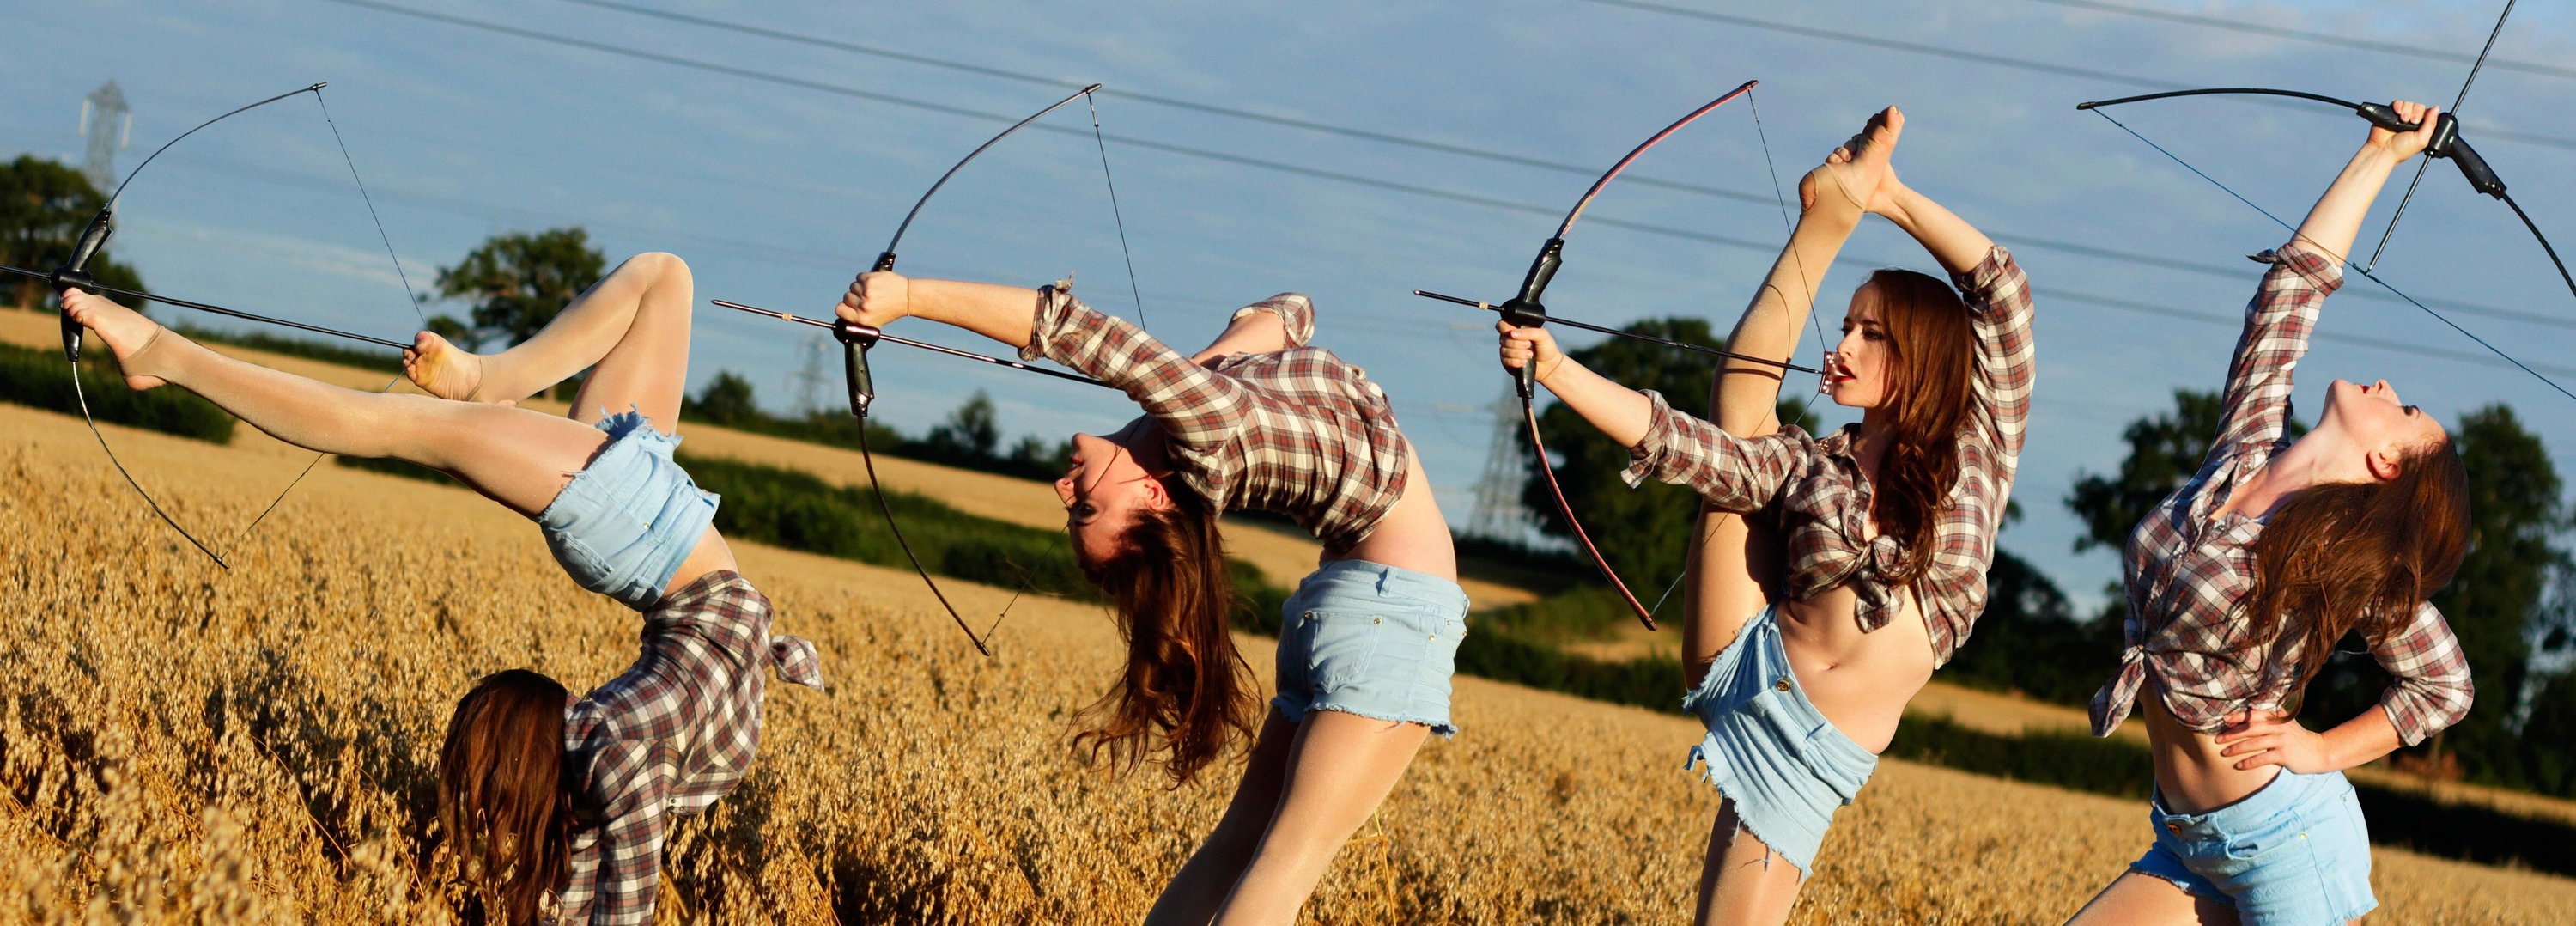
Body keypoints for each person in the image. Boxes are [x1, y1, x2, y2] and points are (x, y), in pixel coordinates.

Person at [58, 252, 825, 924]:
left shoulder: (612, 752)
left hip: (643, 530)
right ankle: (485, 381)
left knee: (401, 426)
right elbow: (617, 898)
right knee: (664, 279)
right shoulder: (613, 756)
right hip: (652, 526)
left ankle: (166, 353)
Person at [1498, 107, 2035, 924]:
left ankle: (1838, 207)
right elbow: (1684, 445)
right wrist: (1558, 368)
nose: (1842, 347)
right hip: (1748, 668)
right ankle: (1824, 220)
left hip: (1816, 745)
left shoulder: (1980, 452)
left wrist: (1887, 195)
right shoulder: (1811, 463)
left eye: (1869, 334)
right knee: (1734, 431)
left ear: (1920, 355)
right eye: (1845, 327)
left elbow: (2003, 294)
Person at [833, 272, 1461, 924]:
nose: (1062, 490)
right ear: (1154, 498)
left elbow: (1291, 311)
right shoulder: (1207, 428)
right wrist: (907, 297)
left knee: (1235, 850)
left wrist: (1194, 366)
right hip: (1394, 615)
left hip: (1348, 606)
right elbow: (1082, 332)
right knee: (1286, 860)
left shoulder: (1199, 404)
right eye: (1088, 511)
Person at [2065, 101, 2472, 925]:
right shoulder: (2241, 457)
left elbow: (2443, 686)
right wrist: (2380, 156)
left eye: (2406, 409)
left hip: (2287, 841)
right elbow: (2289, 292)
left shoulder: (2340, 564)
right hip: (2187, 839)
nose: (2388, 388)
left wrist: (2322, 750)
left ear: (2387, 465)